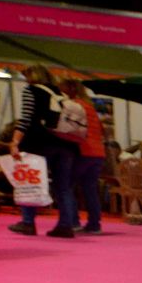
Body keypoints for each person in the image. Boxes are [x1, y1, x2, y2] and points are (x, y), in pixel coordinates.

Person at [7, 64, 78, 237]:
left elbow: (26, 118)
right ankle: (65, 225)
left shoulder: (31, 91)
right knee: (63, 187)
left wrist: (15, 141)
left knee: (29, 181)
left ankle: (28, 223)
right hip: (66, 144)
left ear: (33, 76)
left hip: (39, 143)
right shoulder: (61, 94)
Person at [59, 79, 105, 233]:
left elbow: (69, 128)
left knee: (67, 186)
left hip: (83, 151)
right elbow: (101, 130)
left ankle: (73, 222)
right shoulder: (90, 107)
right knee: (90, 189)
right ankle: (94, 224)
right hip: (98, 152)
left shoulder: (72, 106)